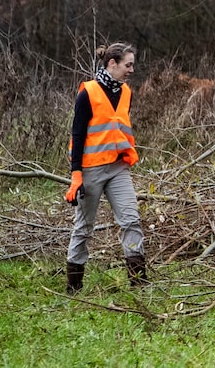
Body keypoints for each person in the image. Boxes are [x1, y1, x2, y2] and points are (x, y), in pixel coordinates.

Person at [65, 42, 145, 293]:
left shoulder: (126, 93)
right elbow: (77, 135)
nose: (131, 70)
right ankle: (73, 287)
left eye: (132, 65)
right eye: (128, 65)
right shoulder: (87, 93)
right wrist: (76, 175)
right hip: (91, 170)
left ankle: (139, 284)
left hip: (118, 168)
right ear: (113, 64)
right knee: (84, 227)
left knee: (131, 221)